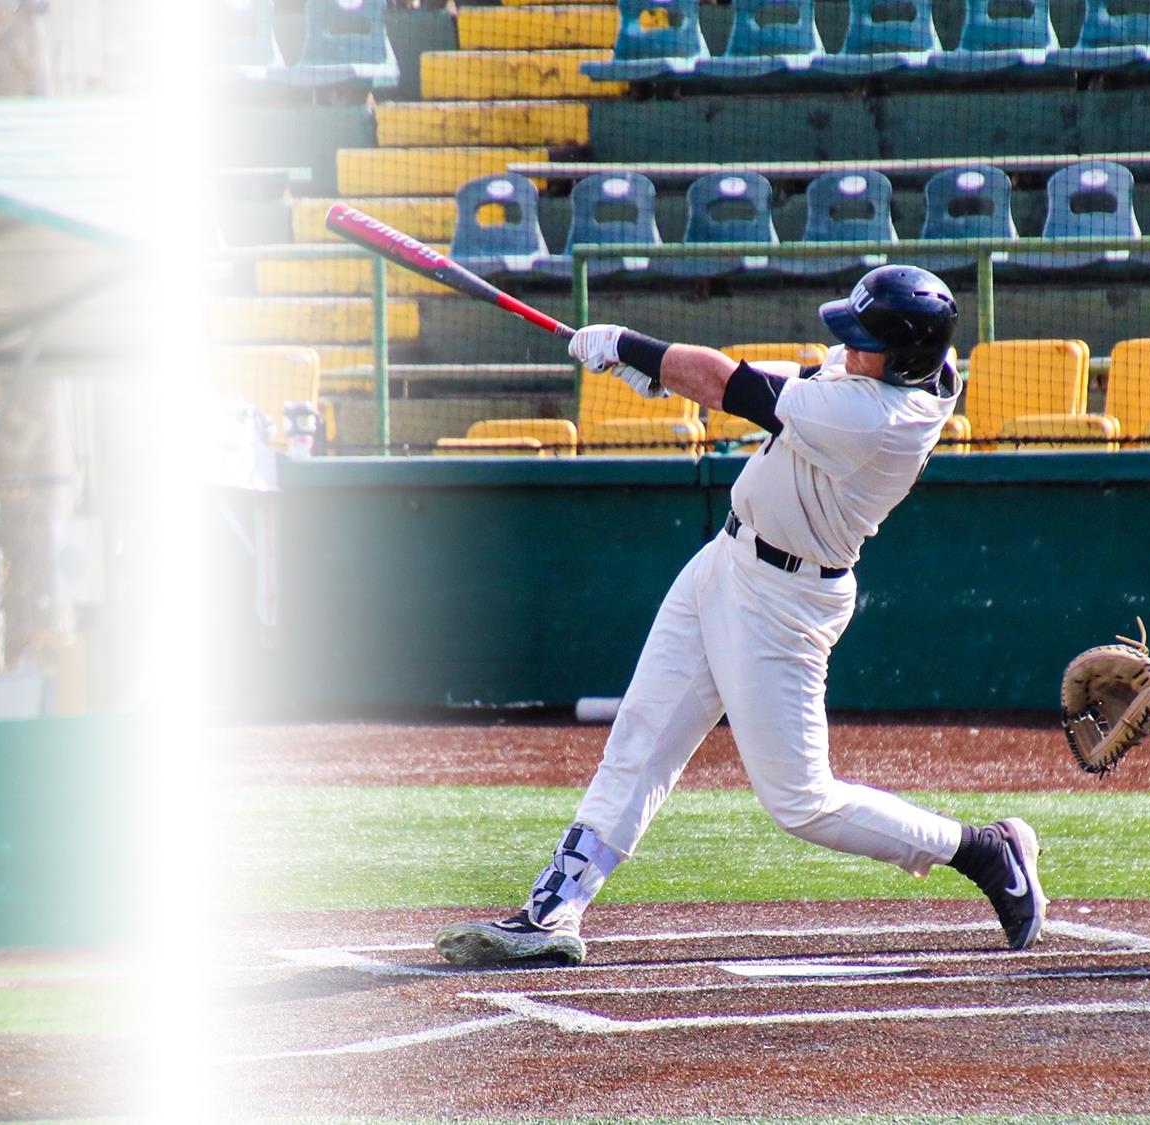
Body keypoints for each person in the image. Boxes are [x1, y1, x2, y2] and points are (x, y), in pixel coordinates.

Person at [436, 265, 1047, 967]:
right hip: (726, 561)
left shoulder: (880, 420)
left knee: (802, 801)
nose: (849, 349)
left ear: (905, 358)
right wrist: (664, 372)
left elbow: (735, 387)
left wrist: (629, 346)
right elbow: (795, 374)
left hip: (784, 603)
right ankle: (555, 905)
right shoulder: (899, 371)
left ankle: (982, 849)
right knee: (640, 738)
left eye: (865, 342)